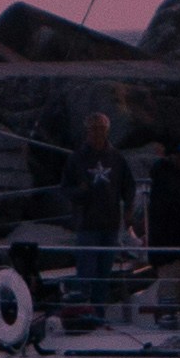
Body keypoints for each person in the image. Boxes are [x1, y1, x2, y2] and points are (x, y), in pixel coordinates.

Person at [66, 106, 130, 323]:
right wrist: (80, 192)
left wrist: (129, 208)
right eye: (93, 130)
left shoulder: (117, 158)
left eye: (101, 129)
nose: (97, 133)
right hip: (87, 224)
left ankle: (99, 316)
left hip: (111, 224)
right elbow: (65, 188)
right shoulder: (77, 158)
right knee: (85, 274)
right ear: (87, 132)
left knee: (103, 275)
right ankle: (81, 316)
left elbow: (128, 185)